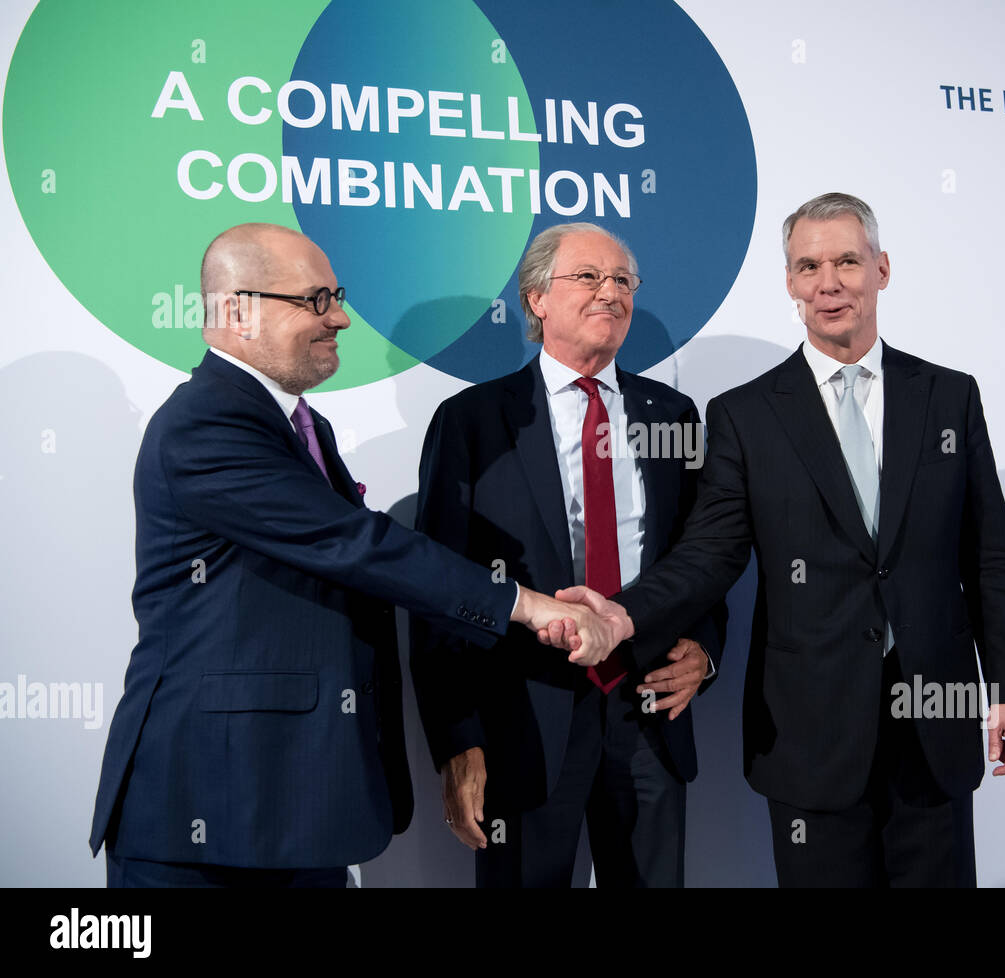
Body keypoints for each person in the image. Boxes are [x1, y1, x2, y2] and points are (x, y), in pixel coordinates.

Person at [89, 223, 615, 887]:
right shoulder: (206, 423)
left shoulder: (301, 424)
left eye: (334, 296)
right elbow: (356, 546)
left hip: (293, 809)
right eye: (314, 301)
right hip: (213, 812)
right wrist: (528, 605)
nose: (338, 317)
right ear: (234, 311)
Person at [553, 193, 1005, 887]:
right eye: (808, 265)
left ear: (882, 269)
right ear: (789, 282)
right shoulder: (745, 415)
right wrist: (625, 613)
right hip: (810, 733)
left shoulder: (948, 396)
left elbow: (989, 553)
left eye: (847, 260)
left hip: (934, 723)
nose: (829, 282)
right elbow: (709, 553)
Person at [411, 223, 725, 887]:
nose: (610, 292)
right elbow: (437, 592)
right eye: (588, 277)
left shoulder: (672, 415)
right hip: (523, 724)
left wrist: (704, 649)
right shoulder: (471, 422)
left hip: (649, 718)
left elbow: (704, 556)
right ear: (535, 299)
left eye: (622, 281)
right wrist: (457, 740)